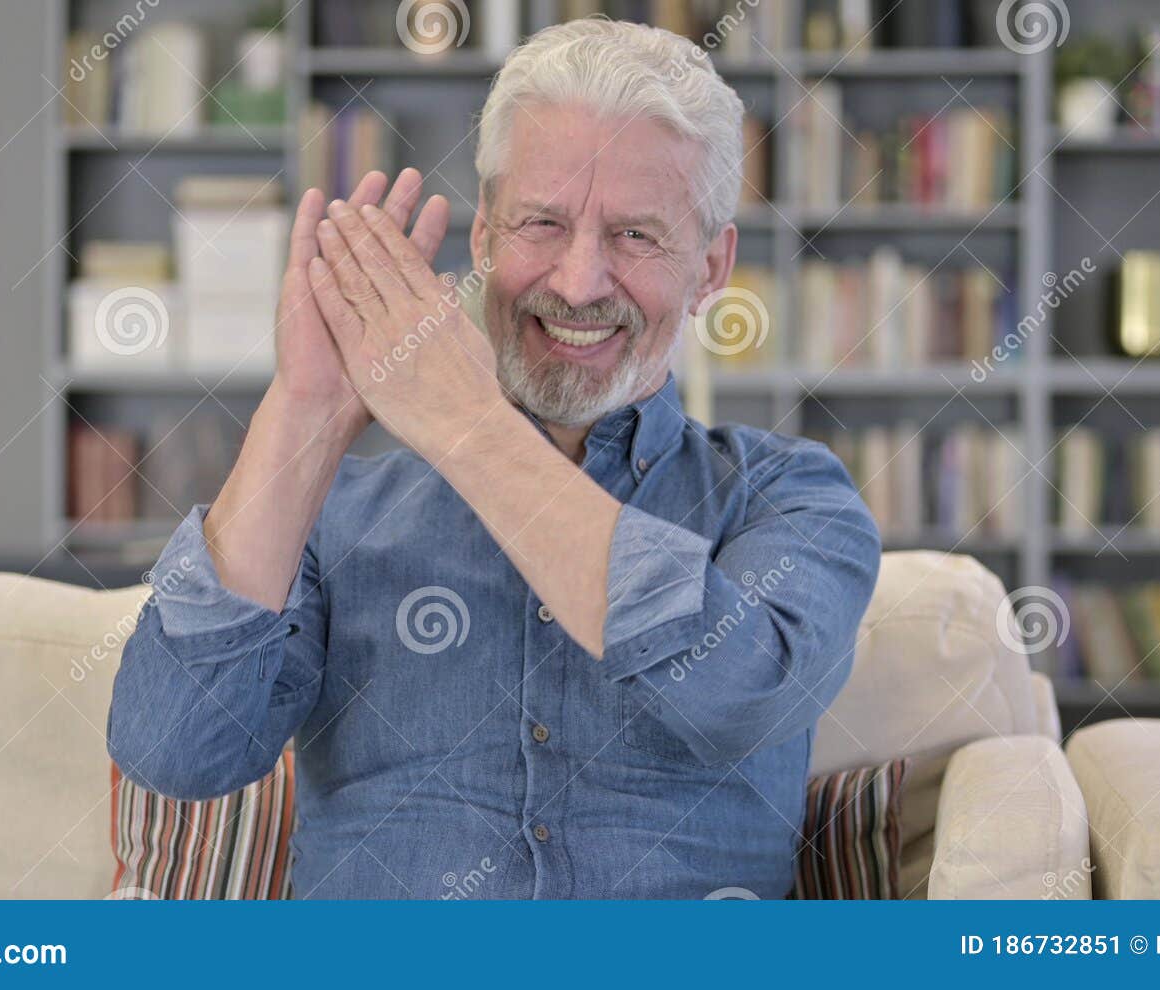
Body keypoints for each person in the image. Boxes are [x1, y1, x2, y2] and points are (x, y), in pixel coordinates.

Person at [107, 18, 881, 899]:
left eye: (635, 236)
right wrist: (305, 410)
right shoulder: (338, 514)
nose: (580, 283)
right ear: (482, 243)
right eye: (542, 223)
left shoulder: (788, 496)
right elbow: (173, 748)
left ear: (711, 268)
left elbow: (743, 692)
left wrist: (470, 426)